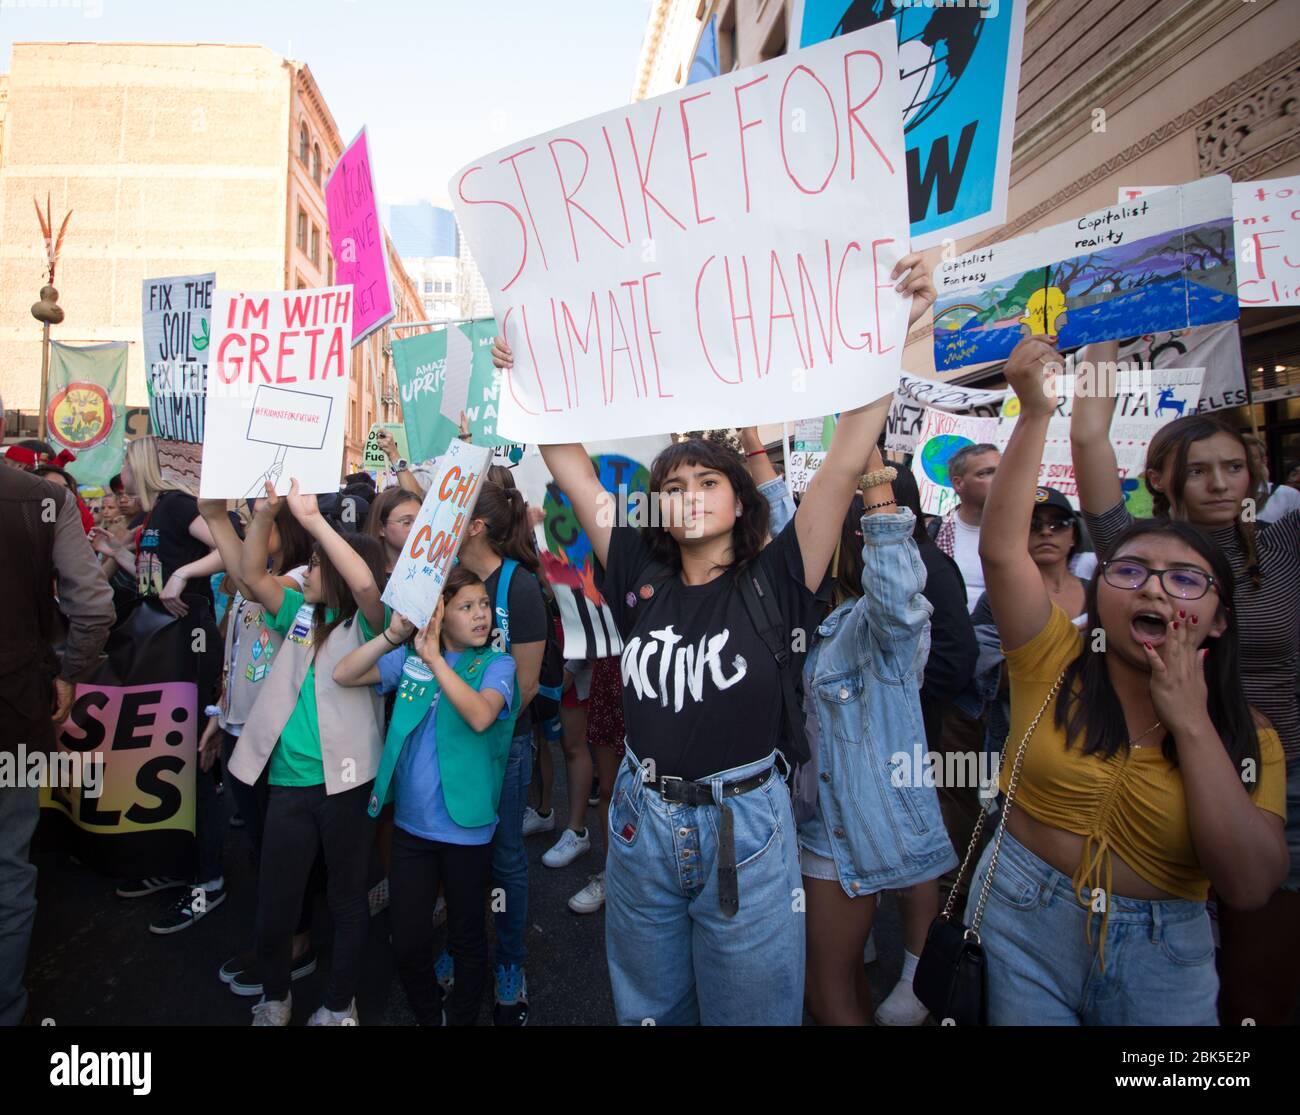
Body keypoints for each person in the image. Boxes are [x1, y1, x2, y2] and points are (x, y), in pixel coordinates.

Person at [491, 251, 935, 1025]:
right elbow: (569, 464)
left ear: (740, 503)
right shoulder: (633, 563)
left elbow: (844, 455)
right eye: (671, 487)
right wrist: (524, 369)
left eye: (707, 482)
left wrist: (897, 332)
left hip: (750, 830)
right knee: (650, 1011)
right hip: (638, 821)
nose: (688, 496)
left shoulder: (783, 575)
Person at [972, 335, 1288, 1025]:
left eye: (1182, 580)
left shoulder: (1250, 737)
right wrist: (1034, 412)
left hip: (1162, 957)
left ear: (1218, 620)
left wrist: (1193, 724)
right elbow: (1002, 549)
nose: (1152, 589)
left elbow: (1248, 883)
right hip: (1020, 921)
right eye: (1130, 571)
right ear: (1102, 589)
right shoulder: (1051, 657)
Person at [1072, 341, 1300, 1026]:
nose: (1220, 482)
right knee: (1163, 965)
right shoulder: (1133, 547)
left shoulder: (1287, 543)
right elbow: (1088, 432)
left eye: (1234, 466)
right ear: (1162, 479)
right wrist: (1109, 319)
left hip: (1279, 775)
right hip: (1156, 772)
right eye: (1199, 470)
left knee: (1259, 980)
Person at [798, 451, 957, 1026]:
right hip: (803, 816)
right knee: (830, 981)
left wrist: (872, 475)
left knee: (823, 985)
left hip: (845, 827)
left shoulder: (878, 624)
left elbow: (892, 585)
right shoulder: (808, 620)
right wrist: (749, 434)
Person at [229, 480, 389, 1026]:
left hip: (347, 786)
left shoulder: (369, 625)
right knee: (276, 904)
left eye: (318, 566)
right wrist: (266, 514)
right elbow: (251, 577)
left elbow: (367, 585)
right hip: (288, 785)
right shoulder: (298, 612)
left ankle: (339, 1004)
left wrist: (317, 523)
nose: (306, 572)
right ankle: (275, 997)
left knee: (347, 901)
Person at [333, 568, 521, 1025]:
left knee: (468, 936)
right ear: (438, 615)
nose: (481, 615)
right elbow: (344, 673)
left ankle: (461, 1018)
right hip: (411, 829)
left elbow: (480, 717)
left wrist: (436, 659)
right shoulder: (411, 659)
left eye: (483, 605)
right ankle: (428, 1013)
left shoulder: (498, 664)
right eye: (465, 606)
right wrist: (394, 634)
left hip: (467, 830)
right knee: (409, 939)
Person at [0, 393, 115, 1025]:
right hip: (16, 711)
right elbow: (94, 609)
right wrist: (69, 674)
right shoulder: (44, 500)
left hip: (18, 702)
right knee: (7, 868)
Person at [185, 497, 318, 984]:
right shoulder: (253, 575)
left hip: (276, 736)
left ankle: (296, 942)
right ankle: (277, 935)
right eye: (242, 521)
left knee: (283, 848)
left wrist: (217, 519)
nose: (248, 528)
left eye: (258, 521)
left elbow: (248, 581)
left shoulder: (303, 576)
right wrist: (220, 716)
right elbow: (236, 655)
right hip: (240, 729)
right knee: (262, 844)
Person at [440, 480, 548, 1025]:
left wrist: (487, 724)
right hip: (449, 743)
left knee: (504, 855)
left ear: (475, 525)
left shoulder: (518, 586)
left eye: (452, 512)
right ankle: (463, 949)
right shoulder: (444, 576)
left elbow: (526, 685)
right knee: (459, 853)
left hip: (505, 746)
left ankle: (510, 962)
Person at [92, 436, 223, 618]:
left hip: (185, 628)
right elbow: (154, 580)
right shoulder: (156, 508)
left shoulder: (176, 503)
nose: (122, 472)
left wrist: (182, 575)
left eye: (125, 464)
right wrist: (118, 552)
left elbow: (228, 550)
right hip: (158, 623)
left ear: (140, 467)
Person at [930, 443, 1000, 612]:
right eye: (987, 473)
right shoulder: (935, 533)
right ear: (958, 483)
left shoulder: (1024, 532)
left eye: (1003, 470)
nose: (1000, 478)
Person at [365, 487, 423, 583]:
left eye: (421, 520)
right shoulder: (365, 574)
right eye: (407, 522)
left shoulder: (438, 570)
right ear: (381, 528)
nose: (417, 528)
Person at [1243, 433, 1300, 524]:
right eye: (1240, 458)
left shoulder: (1288, 495)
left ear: (1264, 461)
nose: (1246, 462)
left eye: (1252, 458)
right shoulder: (1225, 496)